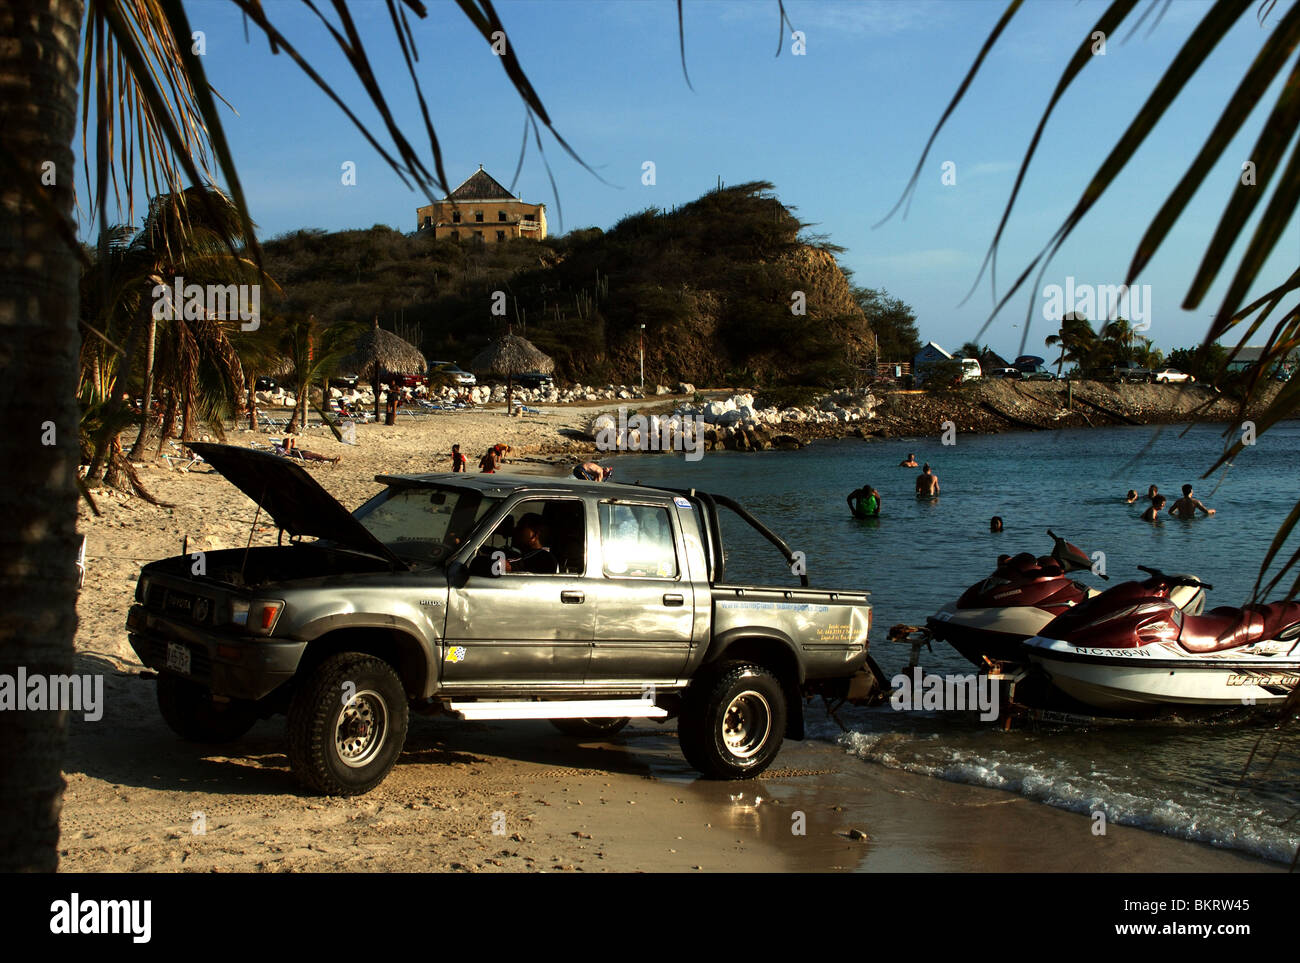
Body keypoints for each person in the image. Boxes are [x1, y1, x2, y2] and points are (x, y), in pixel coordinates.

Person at [471, 513, 558, 575]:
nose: (515, 531)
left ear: (534, 536)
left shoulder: (543, 558)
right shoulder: (528, 555)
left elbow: (506, 565)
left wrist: (478, 559)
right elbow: (501, 553)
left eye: (520, 528)